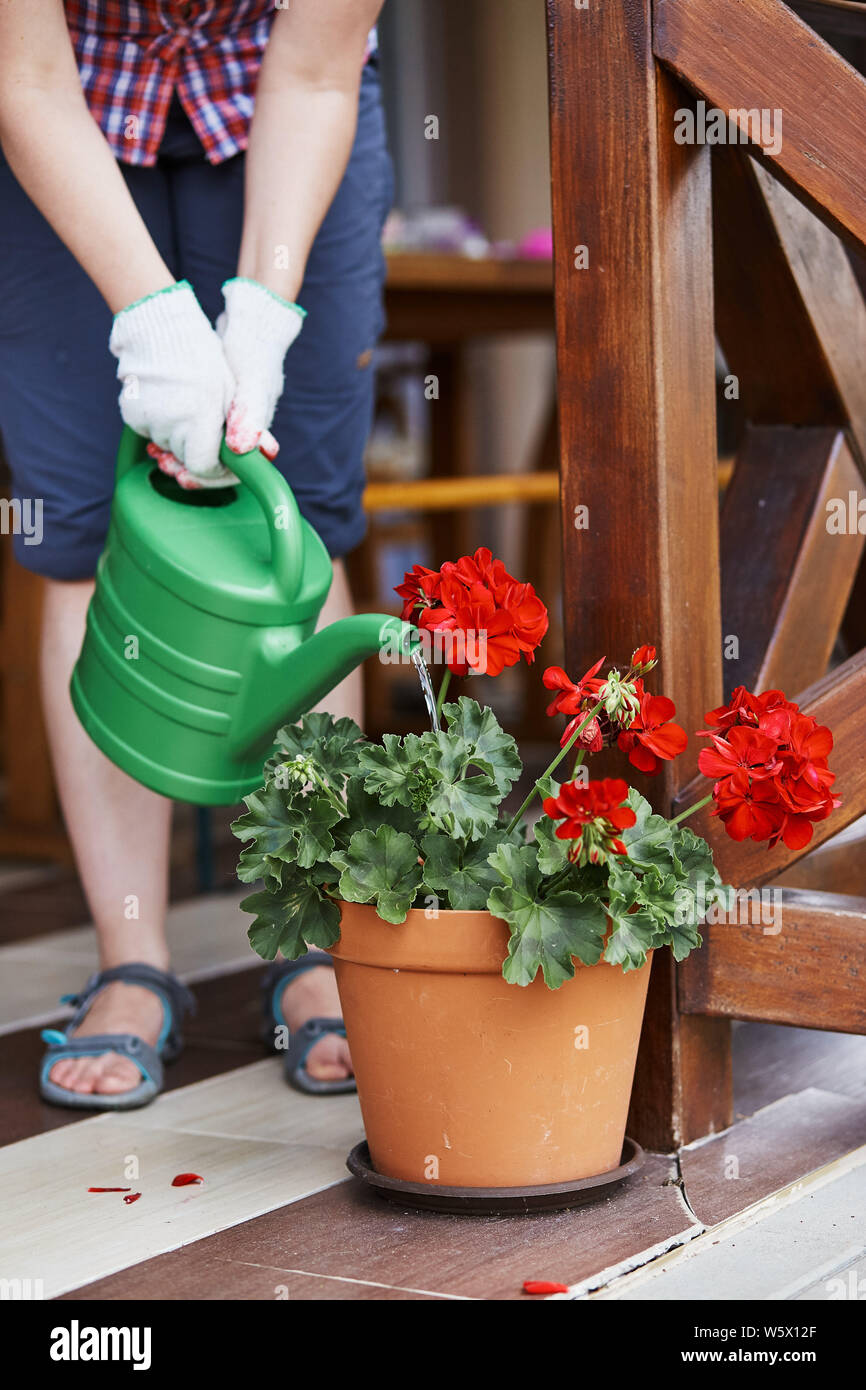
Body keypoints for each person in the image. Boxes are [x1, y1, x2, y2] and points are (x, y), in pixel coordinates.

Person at [0, 0, 390, 1106]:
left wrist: (260, 311)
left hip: (277, 100)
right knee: (82, 526)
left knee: (299, 519)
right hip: (55, 107)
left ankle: (314, 943)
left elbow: (313, 75)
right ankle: (133, 961)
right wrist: (151, 320)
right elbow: (24, 79)